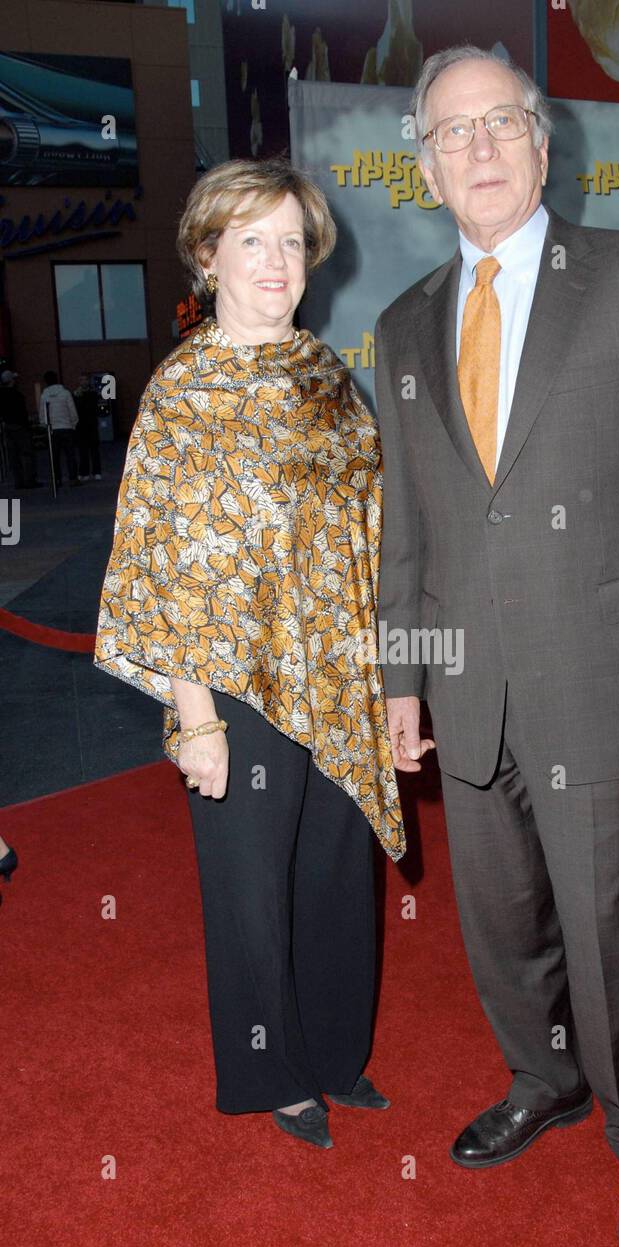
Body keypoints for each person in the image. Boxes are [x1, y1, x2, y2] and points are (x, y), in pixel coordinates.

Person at [375, 46, 619, 1247]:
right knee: (501, 930)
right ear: (424, 165)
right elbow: (411, 532)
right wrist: (398, 679)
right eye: (450, 133)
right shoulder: (400, 327)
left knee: (612, 938)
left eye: (499, 123)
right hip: (465, 689)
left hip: (601, 677)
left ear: (542, 142)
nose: (477, 150)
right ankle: (542, 1078)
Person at [94, 157, 405, 1150]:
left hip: (336, 673)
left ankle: (333, 1055)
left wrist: (390, 680)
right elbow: (165, 566)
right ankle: (274, 1072)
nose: (275, 263)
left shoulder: (324, 376)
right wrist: (193, 719)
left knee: (331, 875)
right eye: (251, 240)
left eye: (290, 242)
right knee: (251, 889)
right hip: (234, 685)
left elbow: (372, 531)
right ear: (208, 254)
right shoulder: (182, 394)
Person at [39, 371, 81, 487]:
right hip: (66, 427)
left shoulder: (44, 395)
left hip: (52, 429)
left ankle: (56, 479)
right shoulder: (65, 393)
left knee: (54, 456)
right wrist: (73, 424)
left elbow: (43, 414)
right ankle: (73, 478)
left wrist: (45, 425)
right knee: (70, 455)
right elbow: (72, 411)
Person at [0, 369, 39, 489]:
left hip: (7, 426)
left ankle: (19, 481)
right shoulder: (17, 395)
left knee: (13, 456)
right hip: (20, 426)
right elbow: (22, 413)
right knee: (27, 453)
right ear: (11, 381)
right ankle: (29, 480)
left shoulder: (1, 394)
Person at [74, 373, 102, 480]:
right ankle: (84, 472)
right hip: (81, 425)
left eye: (85, 379)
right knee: (83, 450)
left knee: (94, 450)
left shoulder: (92, 393)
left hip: (91, 424)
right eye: (81, 380)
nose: (83, 382)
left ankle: (96, 472)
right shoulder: (76, 394)